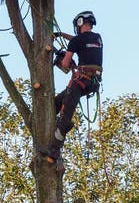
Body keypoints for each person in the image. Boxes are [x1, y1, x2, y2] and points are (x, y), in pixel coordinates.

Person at [40, 10, 103, 163]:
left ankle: (54, 149)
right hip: (92, 83)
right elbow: (80, 41)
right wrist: (61, 34)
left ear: (79, 23)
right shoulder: (98, 38)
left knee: (66, 115)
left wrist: (60, 59)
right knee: (57, 102)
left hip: (80, 81)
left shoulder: (76, 42)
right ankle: (52, 127)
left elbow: (66, 63)